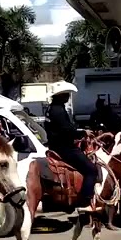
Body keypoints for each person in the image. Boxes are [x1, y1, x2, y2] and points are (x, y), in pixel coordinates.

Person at [44, 82, 99, 213]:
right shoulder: (58, 110)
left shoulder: (52, 108)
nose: (68, 96)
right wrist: (82, 133)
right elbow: (66, 130)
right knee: (91, 170)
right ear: (60, 96)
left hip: (57, 145)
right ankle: (85, 201)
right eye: (66, 94)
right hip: (65, 148)